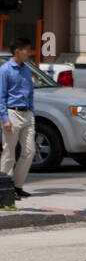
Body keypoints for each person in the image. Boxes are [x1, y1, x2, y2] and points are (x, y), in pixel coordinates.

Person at [0, 37, 38, 200]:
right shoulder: (5, 70)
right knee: (9, 154)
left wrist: (32, 112)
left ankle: (17, 185)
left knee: (30, 151)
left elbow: (30, 92)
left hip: (27, 114)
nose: (29, 53)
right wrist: (5, 118)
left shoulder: (27, 69)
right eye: (26, 50)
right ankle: (4, 189)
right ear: (17, 51)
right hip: (12, 114)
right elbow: (1, 96)